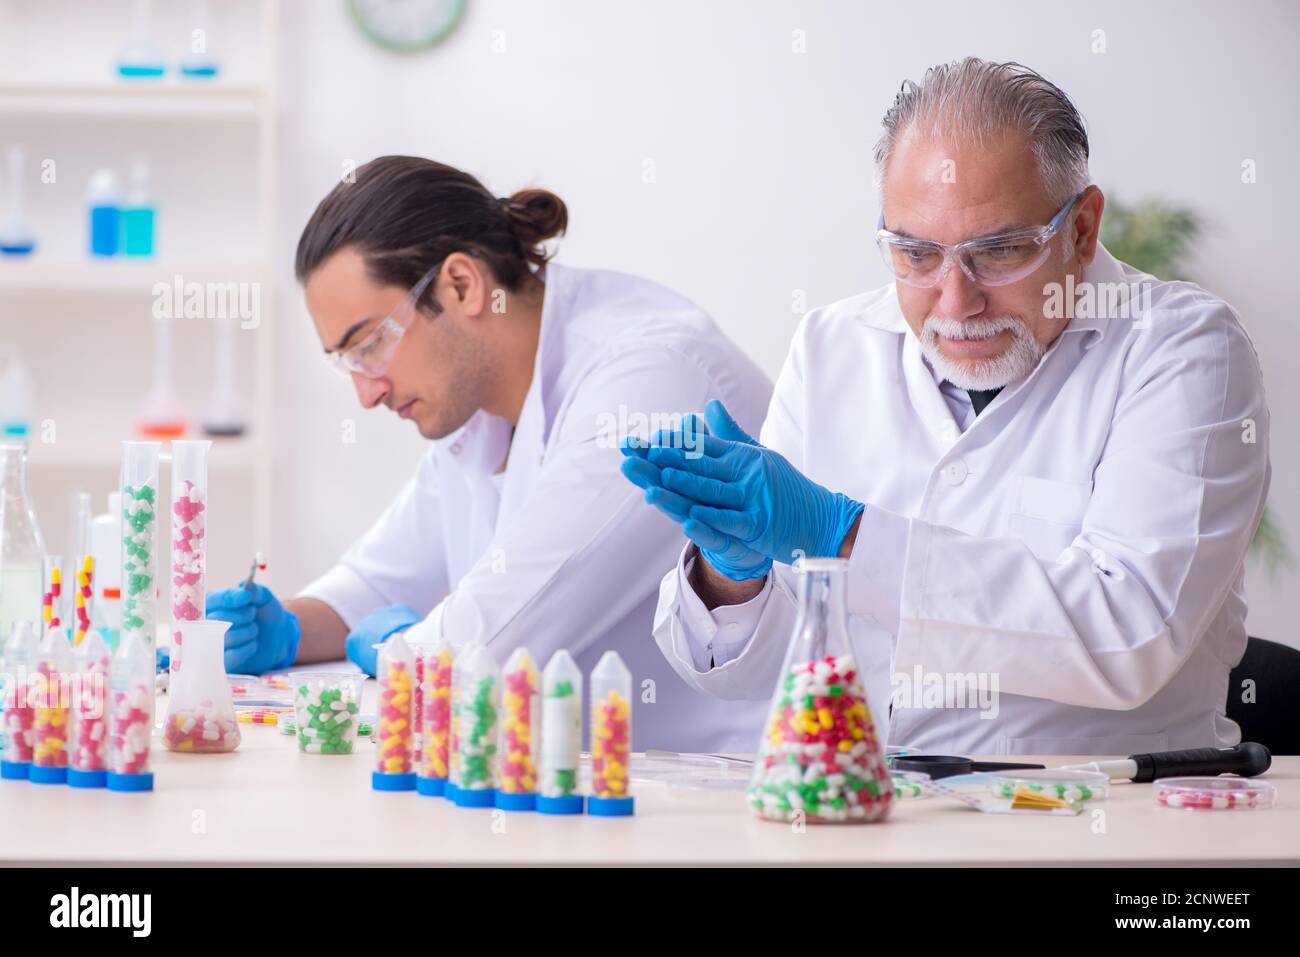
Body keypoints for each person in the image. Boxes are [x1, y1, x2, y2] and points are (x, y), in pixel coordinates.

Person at [622, 58, 1271, 755]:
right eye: (916, 255)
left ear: (1081, 229)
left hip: (1095, 823)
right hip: (866, 805)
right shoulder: (834, 345)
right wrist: (735, 576)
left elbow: (1130, 632)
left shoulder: (1183, 349)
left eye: (999, 252)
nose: (956, 301)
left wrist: (840, 536)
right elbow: (774, 666)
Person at [207, 155, 772, 750]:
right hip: (589, 794)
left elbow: (476, 650)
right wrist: (288, 629)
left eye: (370, 345)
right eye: (348, 362)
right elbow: (376, 584)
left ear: (461, 284)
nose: (367, 392)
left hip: (733, 801)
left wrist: (393, 647)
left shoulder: (648, 380)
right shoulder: (478, 415)